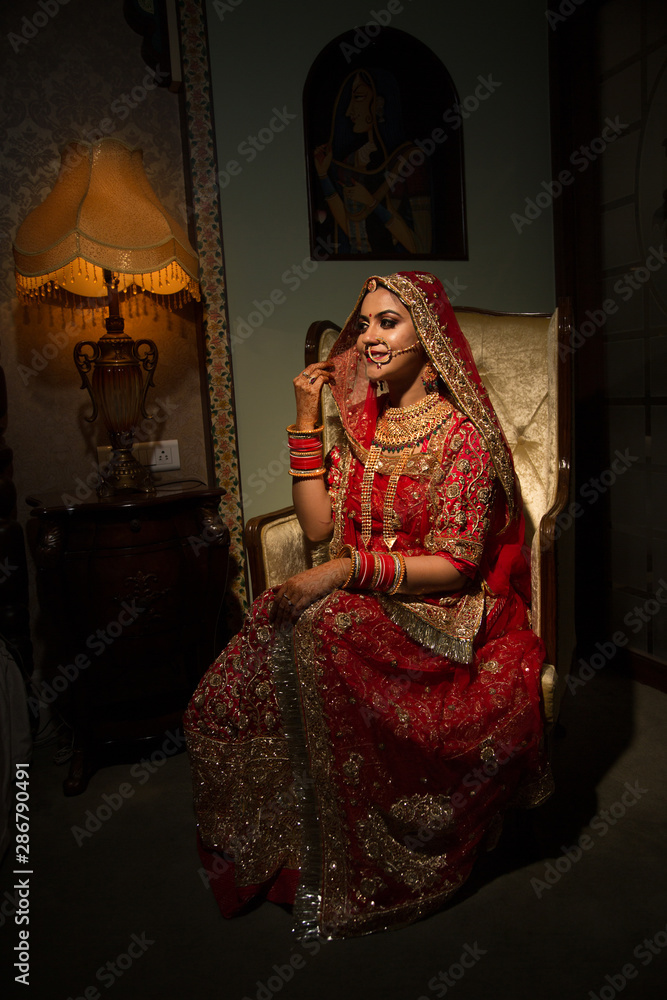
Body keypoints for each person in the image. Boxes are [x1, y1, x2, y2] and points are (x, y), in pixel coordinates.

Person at [184, 271, 553, 940]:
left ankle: (354, 858)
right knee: (246, 660)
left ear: (429, 336)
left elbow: (458, 563)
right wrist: (303, 425)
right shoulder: (361, 429)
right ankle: (294, 848)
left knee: (318, 628)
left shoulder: (462, 438)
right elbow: (320, 527)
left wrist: (346, 573)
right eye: (365, 324)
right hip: (361, 592)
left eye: (389, 322)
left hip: (441, 608)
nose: (370, 338)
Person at [313, 70, 432, 255]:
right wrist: (323, 175)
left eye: (358, 97)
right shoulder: (353, 161)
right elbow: (353, 233)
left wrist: (372, 203)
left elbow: (422, 248)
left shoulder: (409, 161)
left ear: (379, 104)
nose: (349, 111)